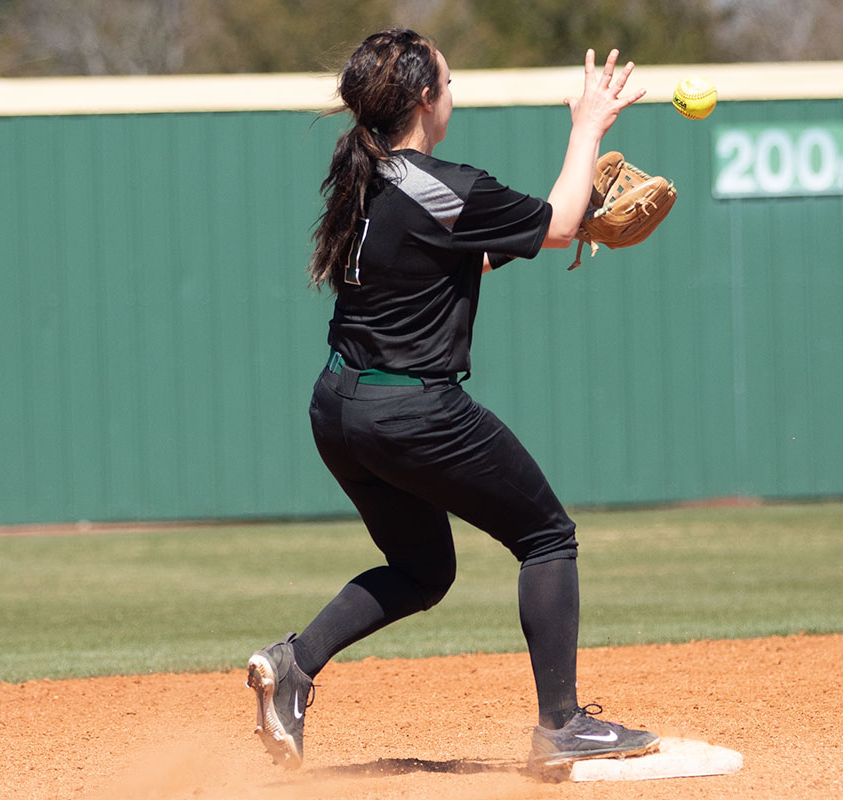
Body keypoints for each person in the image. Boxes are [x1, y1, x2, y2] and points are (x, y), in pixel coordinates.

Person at [244, 28, 656, 771]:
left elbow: (458, 256)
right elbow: (557, 224)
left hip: (339, 407)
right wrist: (588, 128)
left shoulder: (363, 177)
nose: (454, 90)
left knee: (423, 569)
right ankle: (560, 725)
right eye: (450, 79)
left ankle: (294, 668)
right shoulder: (441, 184)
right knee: (546, 537)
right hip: (410, 411)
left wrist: (560, 218)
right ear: (426, 98)